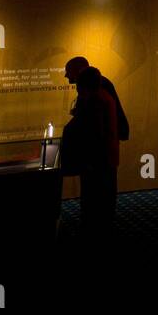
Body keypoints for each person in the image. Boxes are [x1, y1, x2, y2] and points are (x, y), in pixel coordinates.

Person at [66, 66, 120, 238]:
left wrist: (88, 160)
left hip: (97, 160)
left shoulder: (96, 101)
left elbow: (95, 133)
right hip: (106, 157)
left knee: (94, 196)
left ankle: (93, 231)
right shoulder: (103, 96)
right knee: (105, 196)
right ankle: (102, 228)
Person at [65, 56, 129, 141]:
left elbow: (94, 120)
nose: (66, 75)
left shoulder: (96, 86)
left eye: (68, 70)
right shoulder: (100, 83)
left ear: (78, 70)